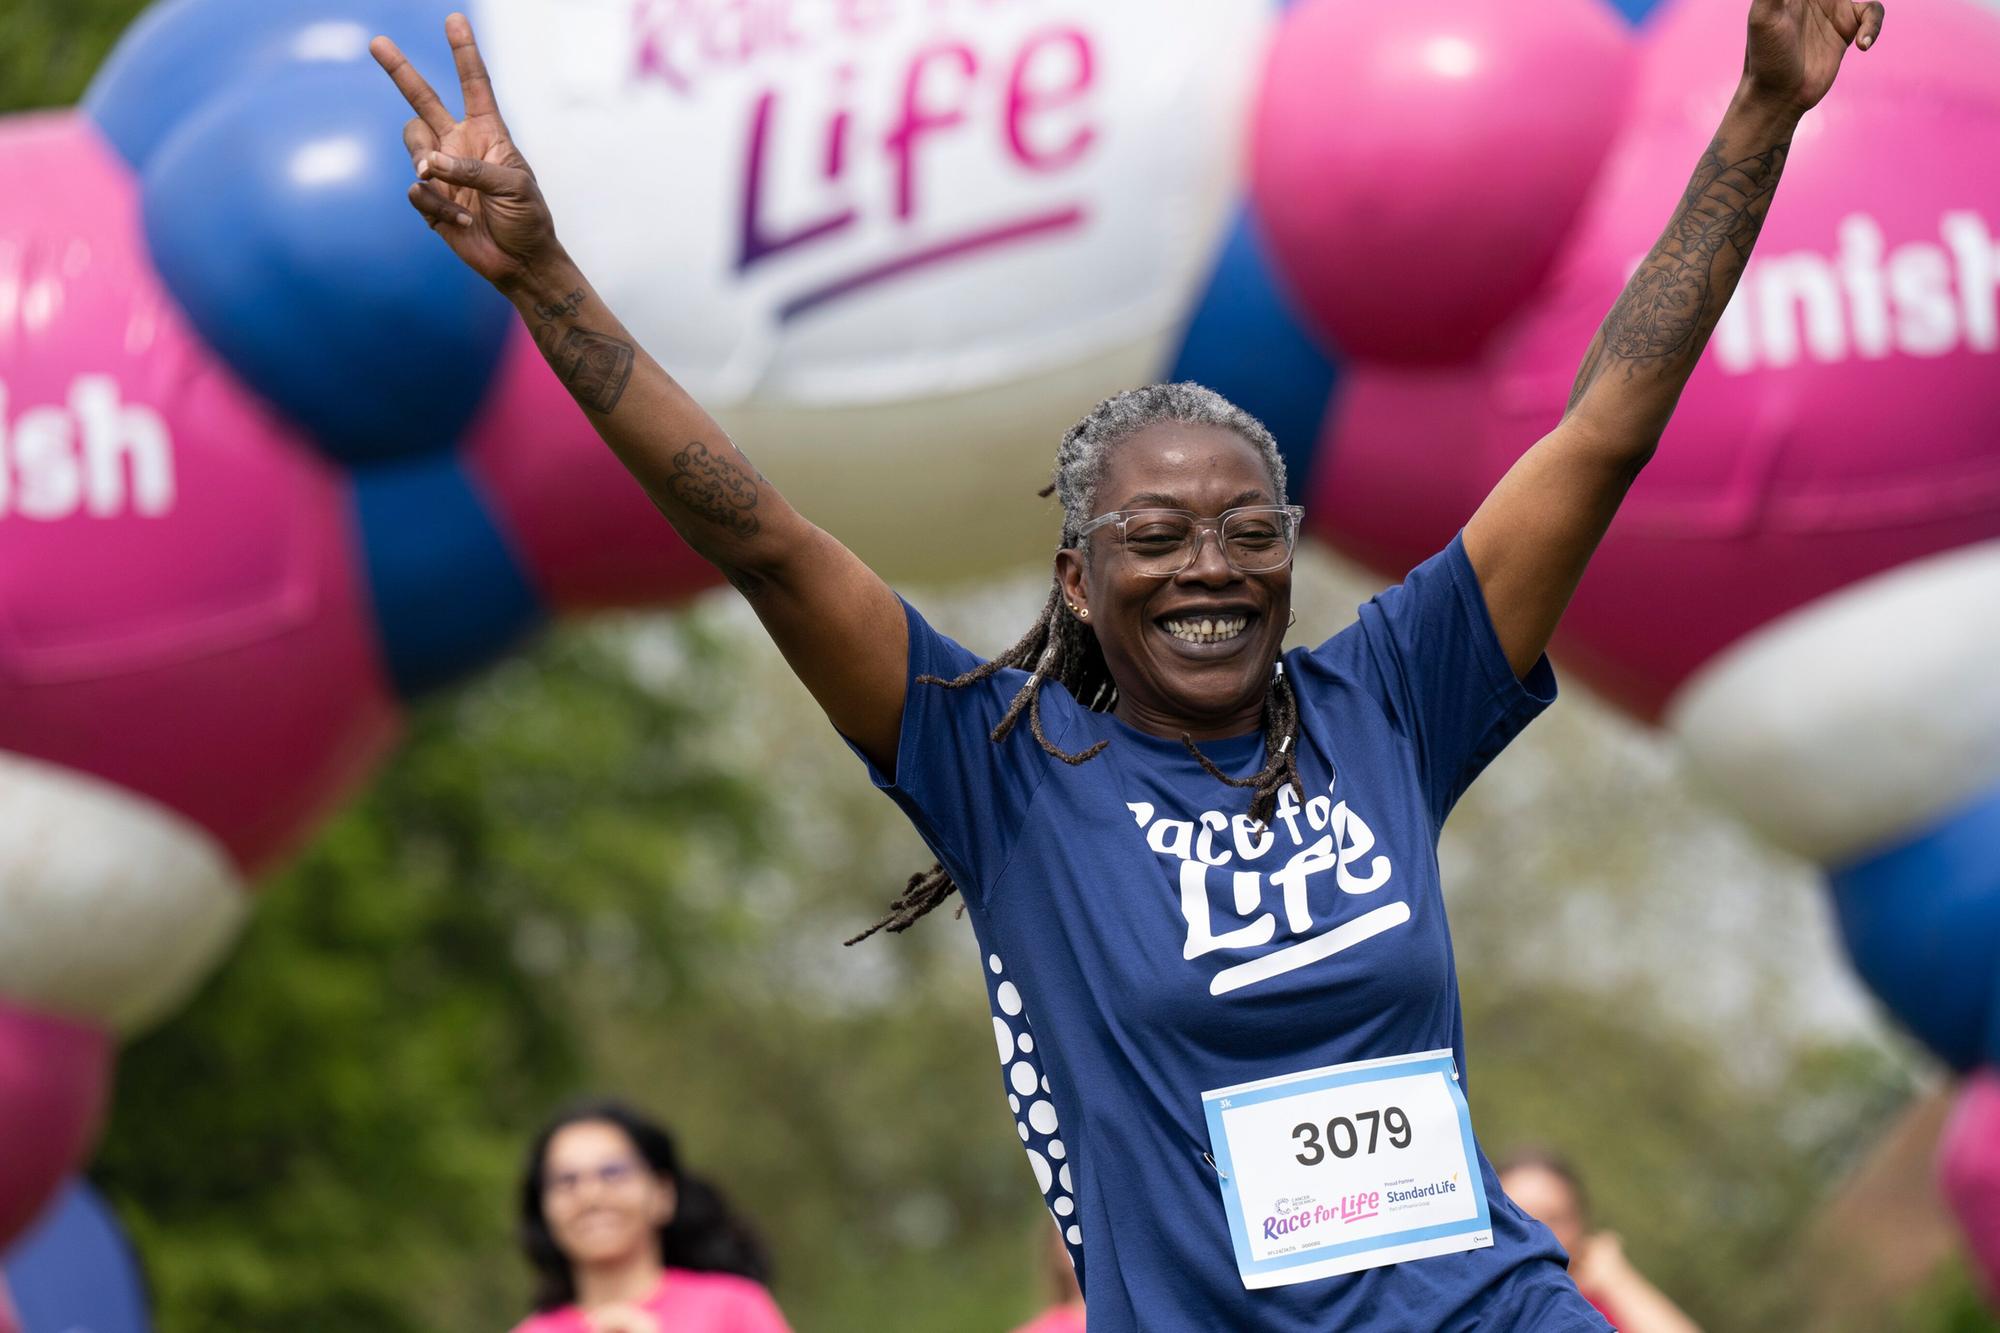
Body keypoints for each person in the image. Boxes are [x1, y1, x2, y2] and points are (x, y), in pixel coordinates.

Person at [371, 2, 1883, 1326]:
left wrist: (1759, 111)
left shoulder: (1390, 697)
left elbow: (1601, 432)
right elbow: (764, 541)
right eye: (1153, 538)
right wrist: (544, 280)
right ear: (1077, 584)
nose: (1208, 566)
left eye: (1247, 530)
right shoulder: (1006, 769)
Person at [512, 1101, 790, 1333]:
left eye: (613, 1173)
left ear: (662, 1194)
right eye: (566, 1181)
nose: (590, 1195)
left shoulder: (734, 1310)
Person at [1499, 1149, 1703, 1333]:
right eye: (1518, 1220)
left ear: (1581, 1226)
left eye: (1554, 1219)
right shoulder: (1487, 1311)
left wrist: (1619, 1280)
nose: (1538, 1237)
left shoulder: (1604, 1309)